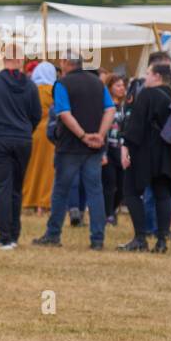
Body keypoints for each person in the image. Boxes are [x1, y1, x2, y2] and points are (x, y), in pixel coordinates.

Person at [31, 54, 115, 250]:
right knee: (95, 192)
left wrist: (83, 135)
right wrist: (100, 135)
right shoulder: (98, 83)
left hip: (70, 146)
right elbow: (110, 109)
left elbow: (64, 113)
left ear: (65, 64)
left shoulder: (62, 84)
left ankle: (53, 235)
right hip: (94, 147)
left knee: (61, 191)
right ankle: (97, 239)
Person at [0, 49, 43, 249]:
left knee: (1, 187)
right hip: (22, 139)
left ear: (4, 59)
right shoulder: (30, 85)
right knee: (15, 188)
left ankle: (4, 236)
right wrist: (26, 128)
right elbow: (36, 114)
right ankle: (14, 234)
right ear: (21, 60)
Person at [118, 55, 171, 253]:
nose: (145, 77)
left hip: (145, 152)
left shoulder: (147, 94)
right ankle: (162, 241)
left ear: (156, 76)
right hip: (169, 153)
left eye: (147, 73)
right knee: (163, 195)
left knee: (130, 192)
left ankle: (140, 238)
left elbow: (135, 127)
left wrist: (126, 147)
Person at [21, 61, 58, 214]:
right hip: (51, 133)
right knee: (48, 169)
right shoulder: (54, 90)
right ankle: (44, 203)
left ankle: (28, 200)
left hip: (32, 132)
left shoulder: (29, 90)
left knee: (31, 167)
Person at [101, 74, 127, 225]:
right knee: (109, 183)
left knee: (122, 185)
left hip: (122, 149)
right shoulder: (106, 106)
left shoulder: (126, 106)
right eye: (118, 85)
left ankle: (113, 208)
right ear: (110, 88)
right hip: (108, 147)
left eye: (123, 85)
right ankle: (108, 214)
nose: (121, 88)